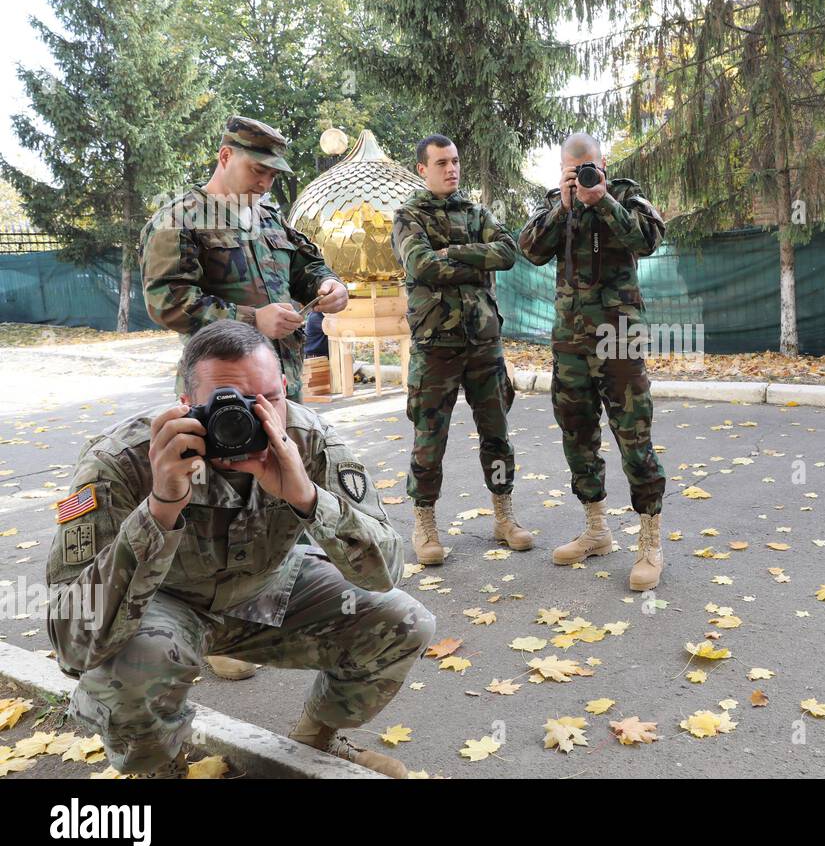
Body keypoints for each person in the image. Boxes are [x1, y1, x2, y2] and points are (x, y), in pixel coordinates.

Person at [43, 321, 434, 778]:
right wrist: (161, 506)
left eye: (268, 399)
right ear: (185, 402)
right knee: (133, 668)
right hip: (164, 604)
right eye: (224, 405)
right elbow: (73, 642)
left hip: (269, 588)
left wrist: (308, 499)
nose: (251, 418)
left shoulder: (309, 441)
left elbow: (385, 572)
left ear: (285, 386)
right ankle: (160, 765)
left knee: (405, 622)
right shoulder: (122, 459)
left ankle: (315, 742)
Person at [140, 114, 350, 682]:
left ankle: (287, 599)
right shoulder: (182, 218)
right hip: (220, 391)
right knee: (221, 497)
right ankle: (218, 626)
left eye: (274, 174)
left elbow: (309, 268)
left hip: (282, 380)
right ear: (224, 156)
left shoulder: (270, 216)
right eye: (258, 170)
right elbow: (165, 299)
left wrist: (330, 287)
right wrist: (248, 316)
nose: (266, 183)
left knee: (286, 480)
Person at [518, 132, 668, 590]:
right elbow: (528, 249)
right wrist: (564, 206)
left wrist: (602, 199)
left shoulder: (626, 195)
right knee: (577, 437)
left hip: (619, 339)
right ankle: (597, 530)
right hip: (570, 343)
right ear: (562, 168)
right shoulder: (555, 206)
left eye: (589, 167)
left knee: (633, 437)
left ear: (602, 162)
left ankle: (649, 543)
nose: (582, 175)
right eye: (574, 168)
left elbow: (647, 241)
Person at [391, 134, 532, 565]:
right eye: (440, 163)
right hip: (436, 348)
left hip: (485, 346)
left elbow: (508, 252)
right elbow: (421, 265)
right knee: (429, 440)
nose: (451, 169)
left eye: (454, 162)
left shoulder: (477, 212)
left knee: (498, 436)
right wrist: (475, 261)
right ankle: (425, 523)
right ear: (422, 169)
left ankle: (504, 515)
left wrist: (453, 252)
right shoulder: (407, 216)